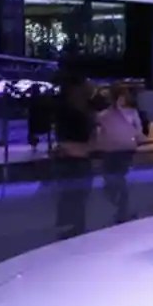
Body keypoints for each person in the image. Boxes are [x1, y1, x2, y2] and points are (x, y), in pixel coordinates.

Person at [53, 78, 97, 239]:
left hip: (73, 156)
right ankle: (74, 227)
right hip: (77, 158)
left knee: (72, 194)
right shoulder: (83, 112)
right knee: (76, 195)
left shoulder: (72, 111)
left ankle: (72, 226)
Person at [95, 86, 144, 224]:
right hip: (120, 150)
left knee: (115, 179)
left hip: (116, 151)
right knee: (117, 180)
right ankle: (122, 209)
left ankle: (122, 210)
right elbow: (138, 132)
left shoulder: (104, 115)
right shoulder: (105, 115)